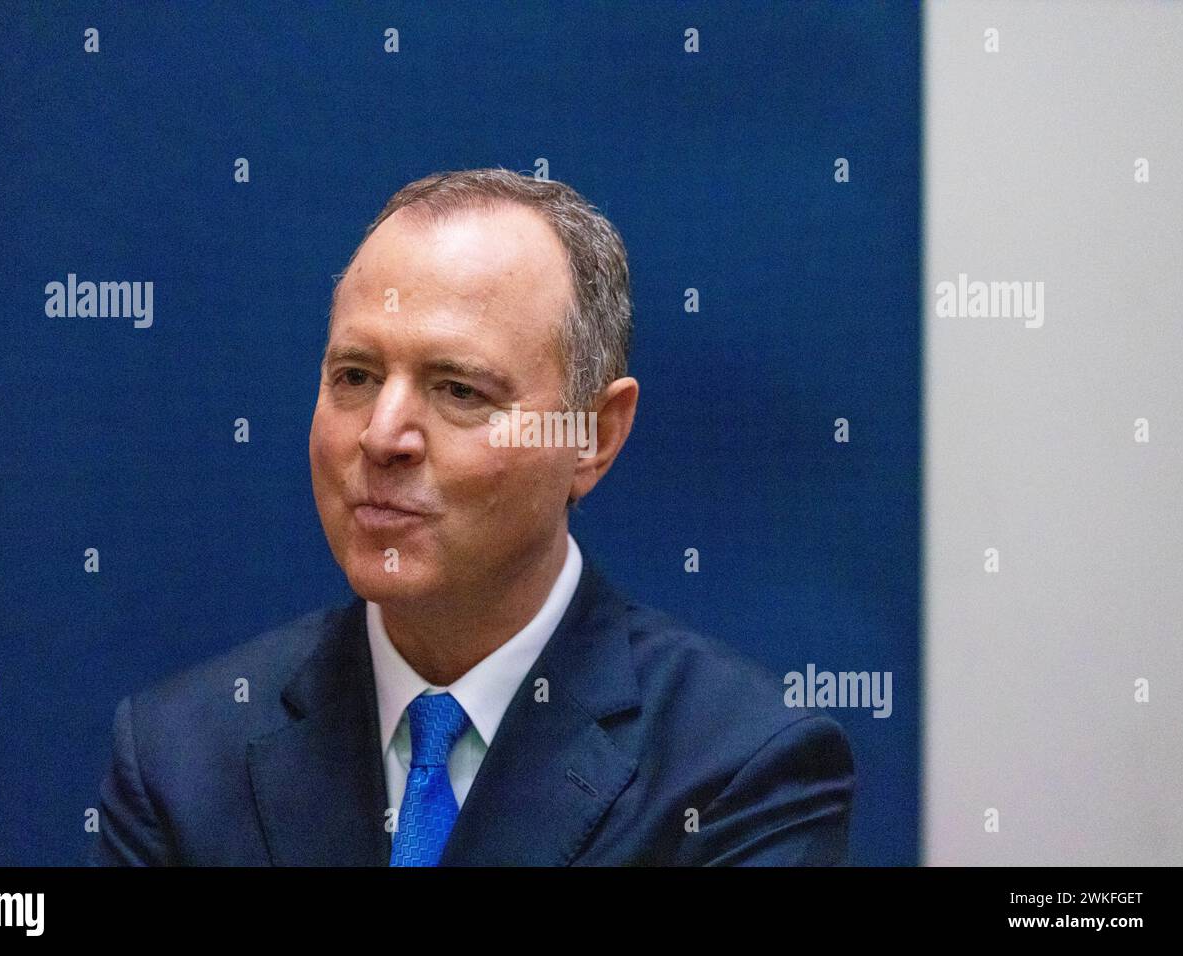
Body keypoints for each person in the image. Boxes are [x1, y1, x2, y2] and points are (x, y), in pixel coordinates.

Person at [89, 168, 854, 866]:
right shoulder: (178, 758)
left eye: (459, 391)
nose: (382, 436)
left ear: (593, 436)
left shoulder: (741, 769)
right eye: (354, 376)